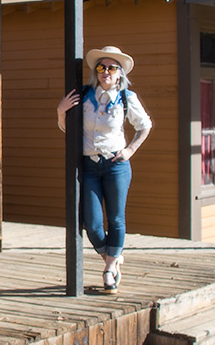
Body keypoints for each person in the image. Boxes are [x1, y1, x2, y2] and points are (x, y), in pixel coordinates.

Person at [56, 46, 151, 293]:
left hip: (116, 165)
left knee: (117, 218)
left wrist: (130, 150)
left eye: (111, 68)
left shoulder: (127, 98)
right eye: (101, 67)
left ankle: (109, 271)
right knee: (93, 224)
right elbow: (69, 130)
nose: (105, 72)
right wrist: (60, 111)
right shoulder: (84, 95)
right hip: (89, 165)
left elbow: (145, 126)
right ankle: (112, 258)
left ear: (119, 73)